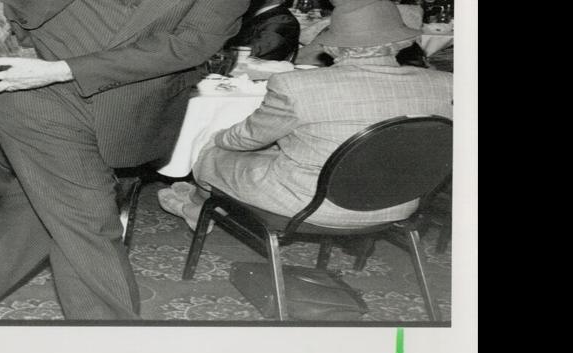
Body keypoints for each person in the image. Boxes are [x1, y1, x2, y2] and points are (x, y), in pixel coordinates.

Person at [0, 0, 247, 321]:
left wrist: (63, 71)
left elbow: (192, 43)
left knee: (41, 206)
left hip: (120, 101)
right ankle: (107, 351)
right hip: (23, 79)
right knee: (88, 216)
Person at [158, 0, 451, 230]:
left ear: (332, 45)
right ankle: (203, 203)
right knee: (292, 150)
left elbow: (243, 140)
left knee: (212, 147)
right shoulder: (448, 84)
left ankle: (198, 206)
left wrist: (217, 136)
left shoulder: (299, 86)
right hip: (398, 202)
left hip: (312, 204)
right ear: (402, 41)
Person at [228, 0, 299, 62]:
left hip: (259, 71)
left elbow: (257, 49)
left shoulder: (282, 20)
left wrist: (222, 49)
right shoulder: (250, 12)